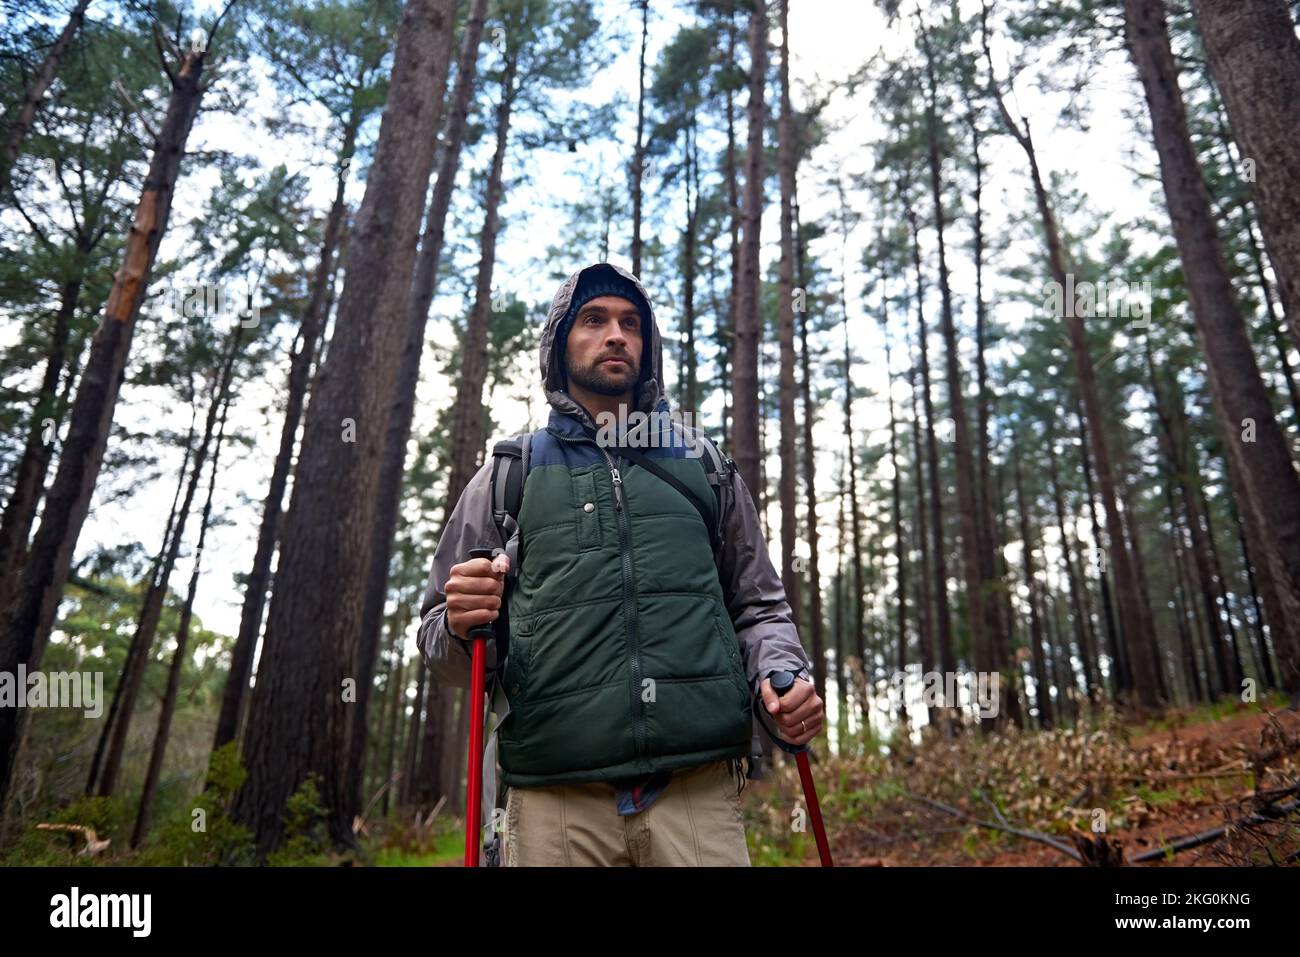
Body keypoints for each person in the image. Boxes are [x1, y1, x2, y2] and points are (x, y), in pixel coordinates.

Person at [417, 262, 822, 866]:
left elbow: (760, 607)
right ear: (560, 343)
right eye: (594, 319)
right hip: (553, 798)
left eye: (631, 323)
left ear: (647, 345)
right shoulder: (510, 474)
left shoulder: (704, 465)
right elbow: (440, 645)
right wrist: (458, 621)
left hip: (697, 792)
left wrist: (781, 674)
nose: (616, 335)